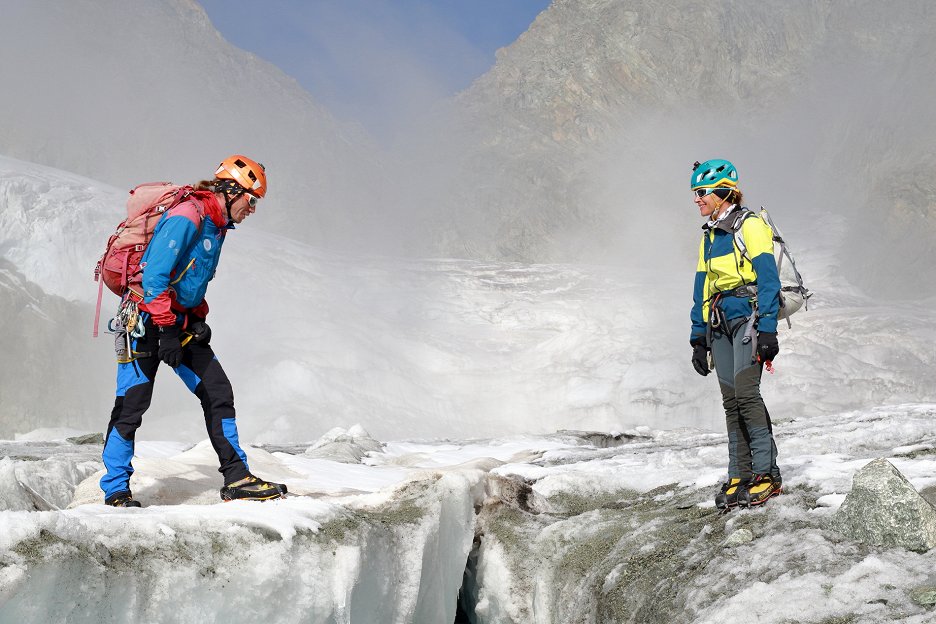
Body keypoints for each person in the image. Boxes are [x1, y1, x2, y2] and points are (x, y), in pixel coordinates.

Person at [100, 155, 287, 507]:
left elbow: (192, 280)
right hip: (143, 321)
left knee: (218, 391)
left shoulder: (216, 226)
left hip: (178, 322)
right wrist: (167, 330)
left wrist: (197, 318)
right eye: (252, 198)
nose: (253, 208)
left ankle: (237, 477)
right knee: (132, 405)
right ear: (232, 191)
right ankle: (115, 491)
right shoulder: (188, 216)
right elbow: (155, 276)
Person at [688, 158, 782, 510]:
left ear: (723, 192)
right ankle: (740, 474)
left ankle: (767, 474)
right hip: (719, 324)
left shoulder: (751, 225)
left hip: (749, 319)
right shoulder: (709, 235)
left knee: (746, 394)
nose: (696, 199)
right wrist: (698, 337)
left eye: (701, 192)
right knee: (731, 400)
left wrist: (769, 329)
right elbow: (702, 288)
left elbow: (768, 279)